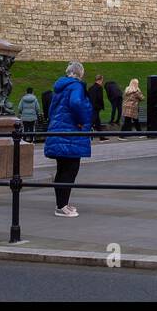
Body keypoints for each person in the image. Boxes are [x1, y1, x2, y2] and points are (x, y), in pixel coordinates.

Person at [43, 62, 93, 217]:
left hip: (58, 131)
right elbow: (76, 103)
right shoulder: (76, 86)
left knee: (62, 169)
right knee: (71, 169)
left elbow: (51, 109)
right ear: (80, 73)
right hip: (71, 132)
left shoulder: (60, 87)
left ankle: (62, 204)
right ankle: (62, 206)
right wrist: (82, 120)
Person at [87, 75, 109, 141]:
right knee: (92, 122)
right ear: (100, 80)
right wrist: (101, 106)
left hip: (91, 106)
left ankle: (101, 137)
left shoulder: (91, 88)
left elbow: (88, 97)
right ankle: (83, 135)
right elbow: (100, 98)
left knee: (97, 123)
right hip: (96, 107)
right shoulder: (99, 88)